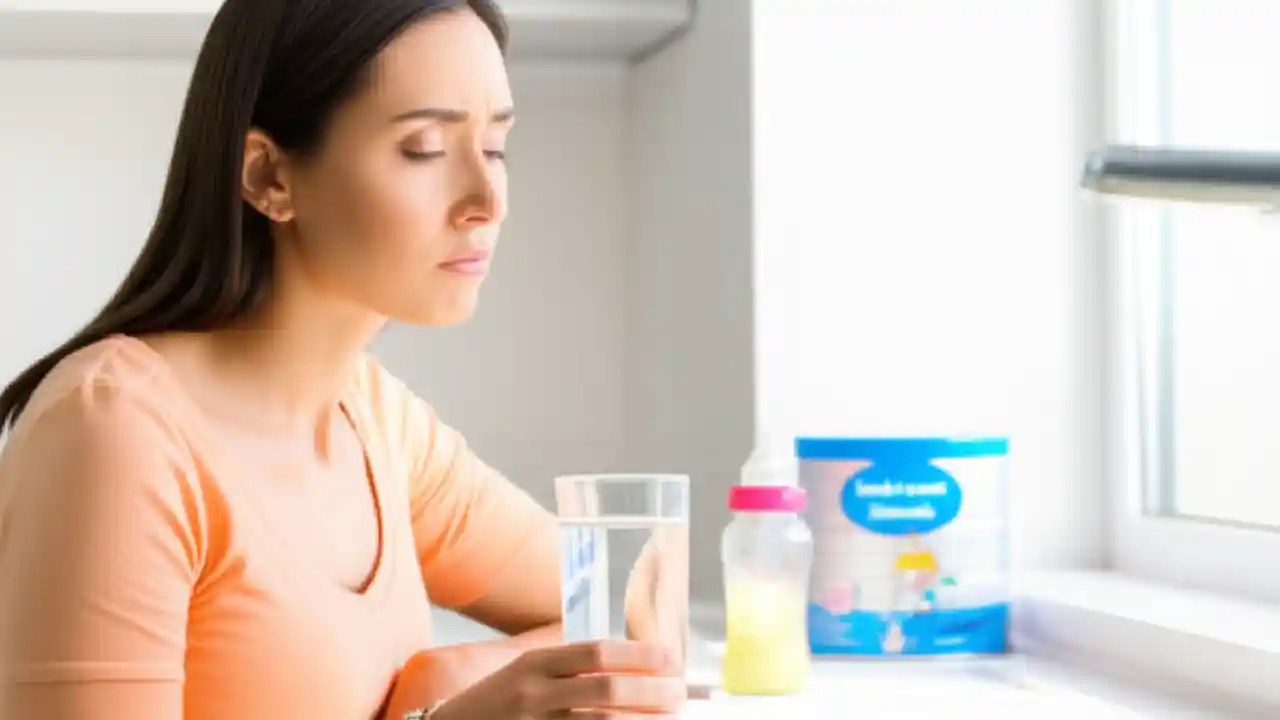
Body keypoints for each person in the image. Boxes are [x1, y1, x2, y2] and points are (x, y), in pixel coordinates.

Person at [0, 1, 686, 718]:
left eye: (496, 148)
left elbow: (637, 598)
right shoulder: (114, 434)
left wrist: (447, 681)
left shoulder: (376, 424)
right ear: (269, 176)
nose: (488, 201)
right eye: (424, 147)